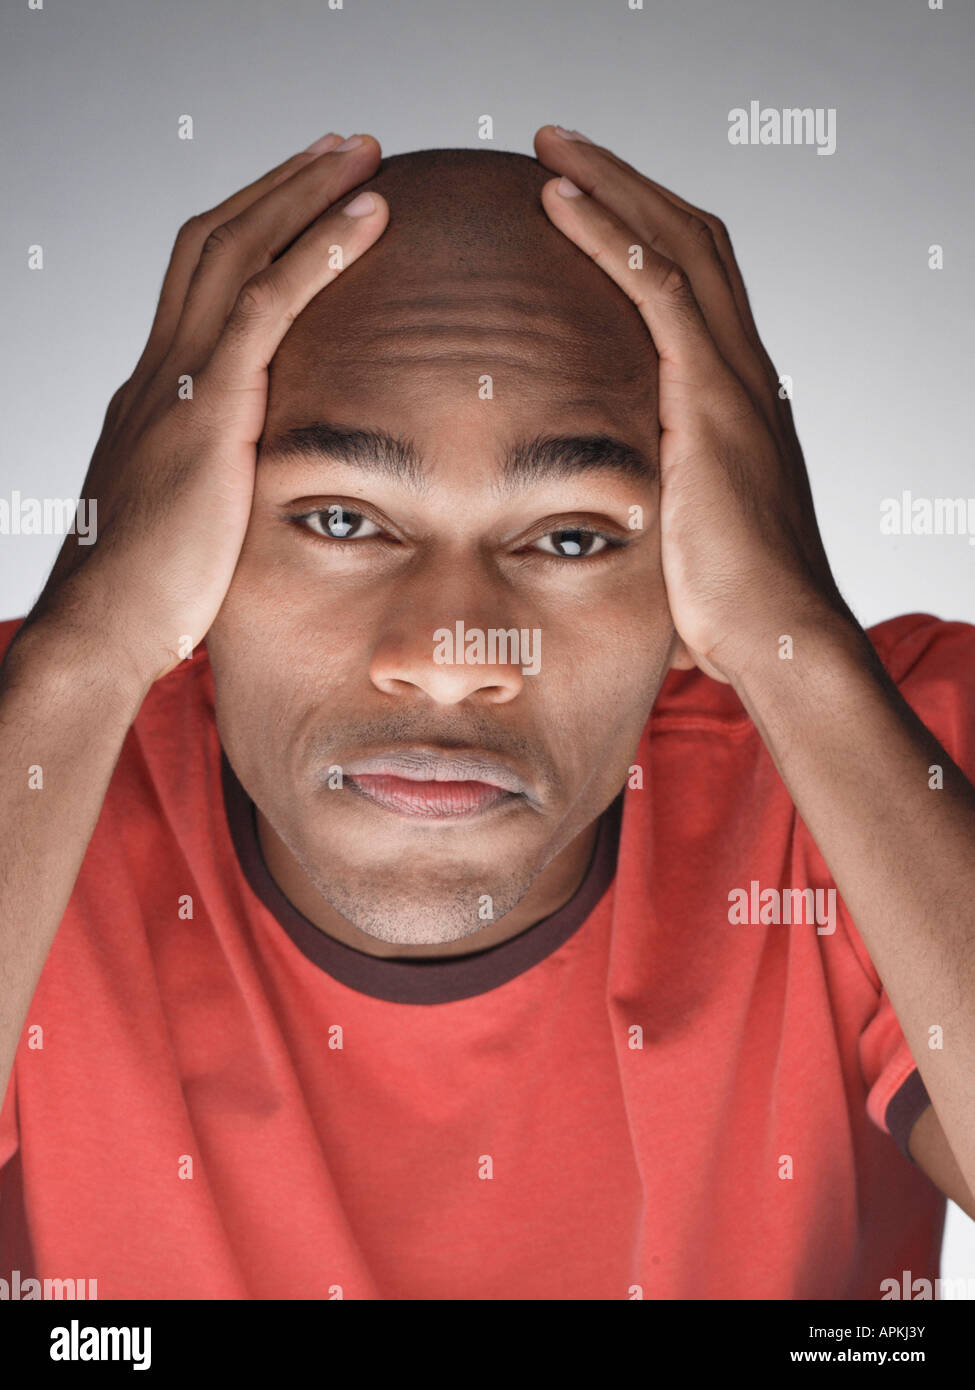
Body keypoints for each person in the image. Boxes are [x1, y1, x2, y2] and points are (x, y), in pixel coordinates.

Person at [1, 126, 973, 1301]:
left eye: (571, 536)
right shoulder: (40, 750)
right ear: (186, 537)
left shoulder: (889, 753)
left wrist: (800, 642)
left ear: (695, 564)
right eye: (342, 521)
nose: (451, 659)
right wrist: (78, 656)